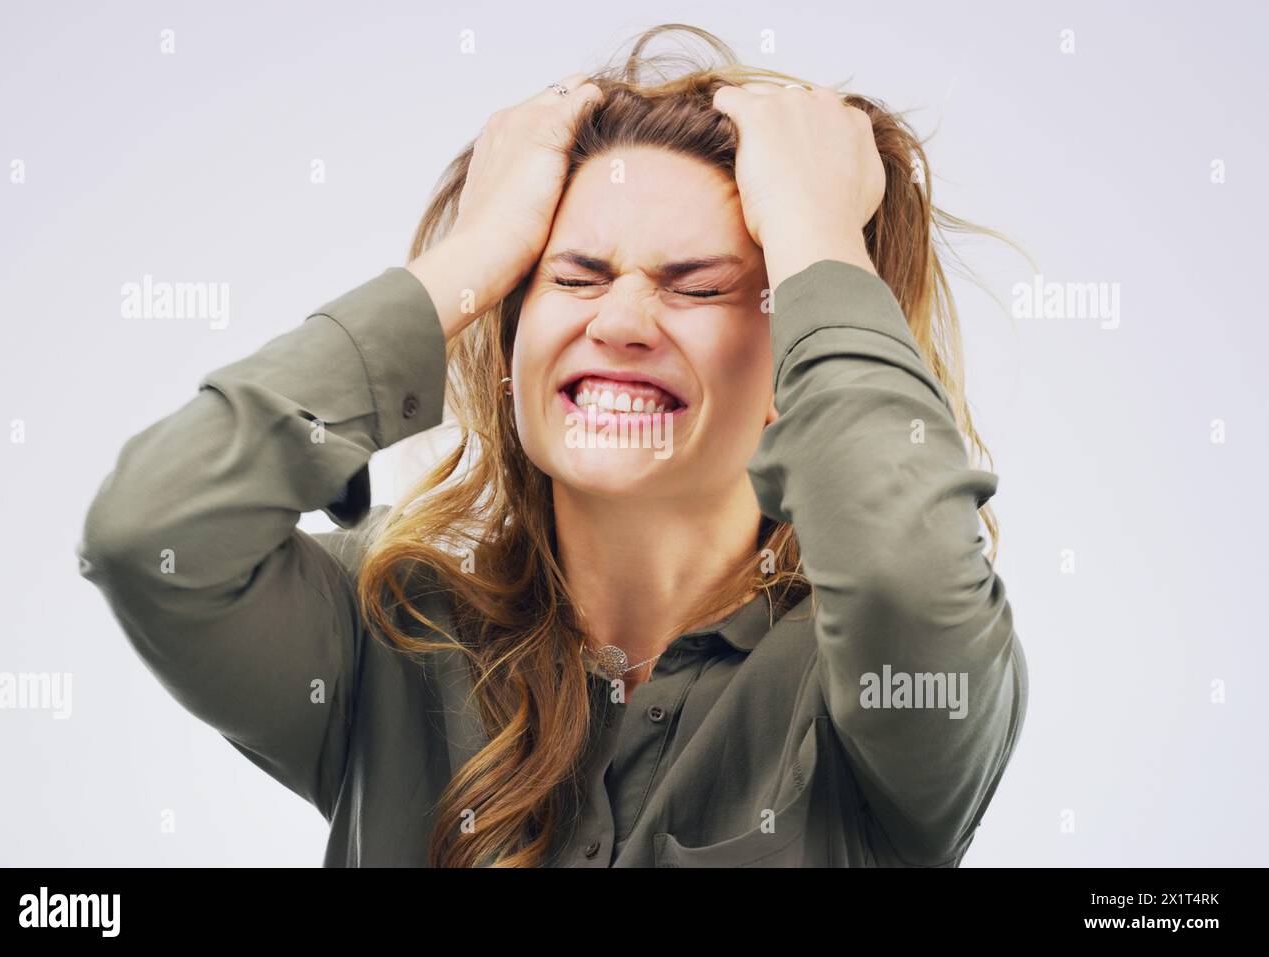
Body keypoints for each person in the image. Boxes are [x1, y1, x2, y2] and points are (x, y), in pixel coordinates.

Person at [78, 24, 1027, 868]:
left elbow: (905, 570)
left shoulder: (862, 690)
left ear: (796, 365)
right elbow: (151, 532)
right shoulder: (389, 636)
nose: (619, 320)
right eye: (573, 276)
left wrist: (815, 229)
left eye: (696, 287)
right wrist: (471, 253)